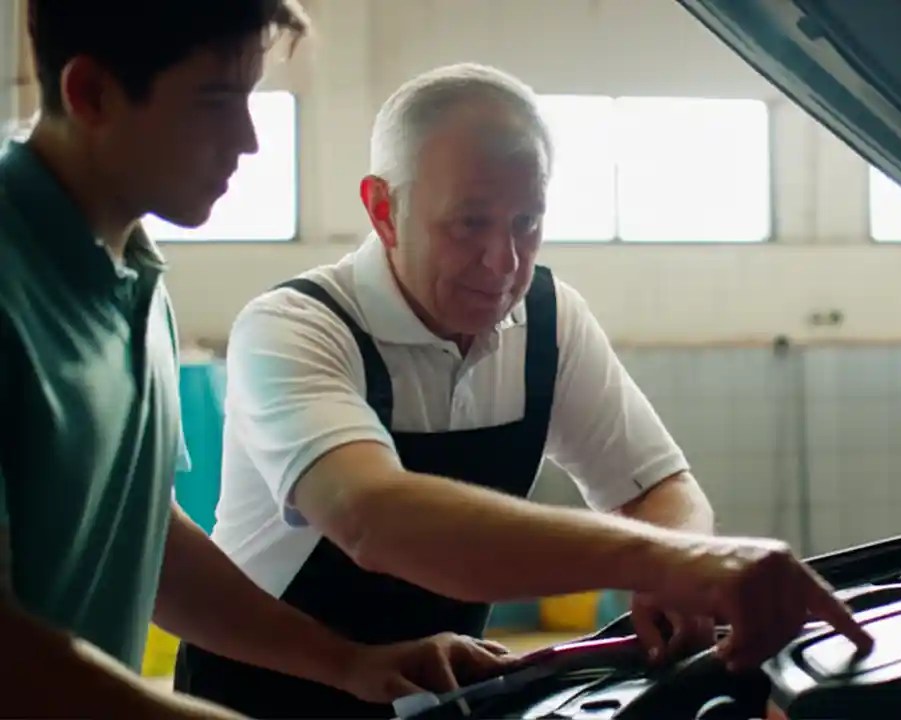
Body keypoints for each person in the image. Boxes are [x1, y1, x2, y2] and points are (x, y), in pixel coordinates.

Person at [176, 62, 874, 718]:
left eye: (527, 223)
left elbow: (657, 484)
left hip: (429, 691)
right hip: (255, 697)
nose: (502, 262)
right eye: (470, 224)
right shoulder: (294, 328)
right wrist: (681, 560)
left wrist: (675, 560)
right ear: (383, 209)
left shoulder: (548, 320)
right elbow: (373, 519)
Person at [0, 5, 525, 719]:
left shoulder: (135, 277)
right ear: (91, 93)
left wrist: (351, 664)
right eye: (216, 102)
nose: (248, 141)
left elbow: (146, 538)